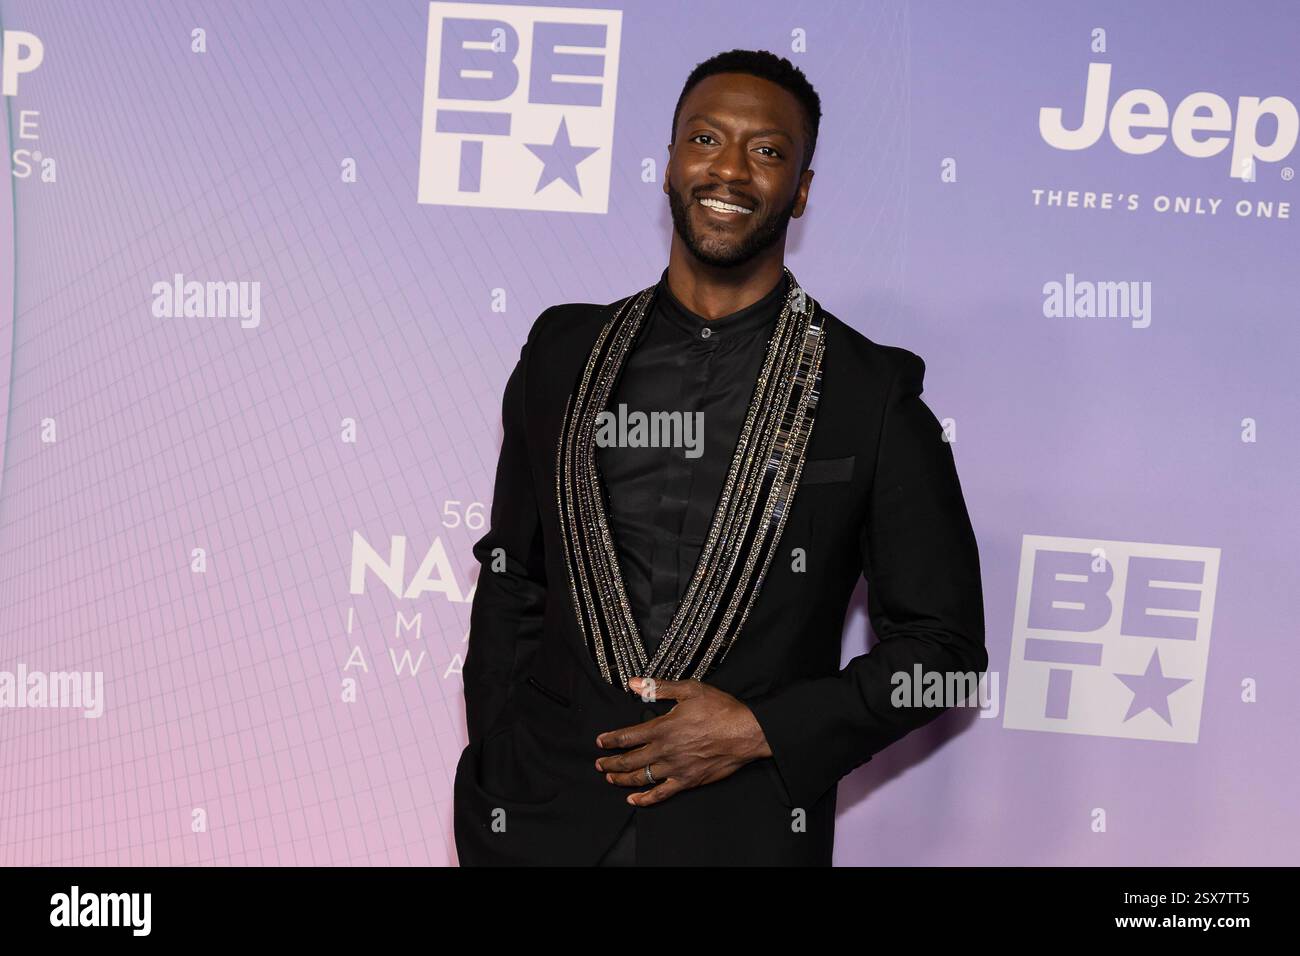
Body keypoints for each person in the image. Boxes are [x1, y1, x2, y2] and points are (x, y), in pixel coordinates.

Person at [453, 49, 987, 866]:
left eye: (767, 151)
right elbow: (514, 575)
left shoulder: (868, 394)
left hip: (741, 835)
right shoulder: (562, 352)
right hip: (535, 824)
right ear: (669, 162)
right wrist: (497, 748)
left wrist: (759, 730)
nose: (730, 169)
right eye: (706, 138)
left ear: (801, 189)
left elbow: (945, 656)